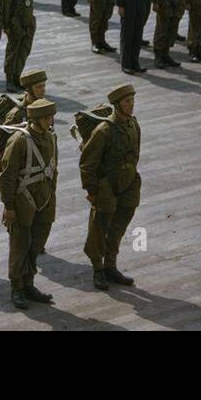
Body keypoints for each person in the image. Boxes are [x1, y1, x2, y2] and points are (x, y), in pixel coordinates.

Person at [0, 97, 58, 309]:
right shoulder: (19, 141)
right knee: (19, 246)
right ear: (35, 118)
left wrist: (52, 195)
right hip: (23, 202)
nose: (51, 120)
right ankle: (17, 287)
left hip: (45, 200)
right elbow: (6, 177)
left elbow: (53, 169)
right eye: (47, 117)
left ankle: (28, 283)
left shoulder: (51, 137)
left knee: (36, 244)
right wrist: (9, 207)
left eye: (51, 116)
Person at [79, 83, 141, 290]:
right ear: (116, 105)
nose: (131, 105)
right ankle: (98, 269)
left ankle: (110, 266)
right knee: (99, 228)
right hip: (106, 187)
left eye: (132, 100)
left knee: (118, 227)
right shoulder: (104, 130)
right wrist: (91, 191)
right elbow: (88, 163)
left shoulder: (133, 125)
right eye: (126, 102)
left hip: (129, 183)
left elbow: (135, 154)